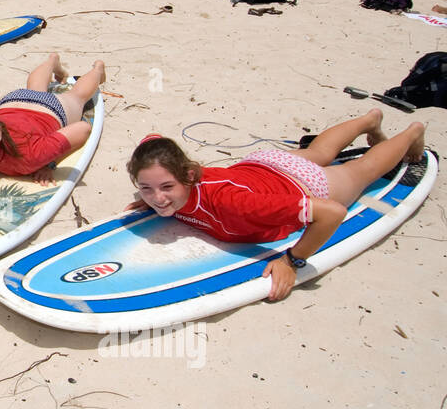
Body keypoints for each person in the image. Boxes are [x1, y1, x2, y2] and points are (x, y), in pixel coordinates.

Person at [126, 111, 426, 300]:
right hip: (258, 167)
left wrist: (291, 261)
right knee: (318, 150)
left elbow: (332, 213)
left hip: (299, 182)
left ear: (189, 176)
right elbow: (153, 141)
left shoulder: (236, 205)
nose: (158, 198)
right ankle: (368, 120)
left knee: (361, 171)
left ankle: (412, 132)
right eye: (146, 188)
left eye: (167, 187)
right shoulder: (171, 175)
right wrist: (151, 198)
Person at [0, 55, 104, 184]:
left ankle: (98, 69)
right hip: (11, 102)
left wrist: (49, 164)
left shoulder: (29, 155)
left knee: (77, 97)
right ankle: (52, 61)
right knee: (35, 88)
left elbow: (83, 128)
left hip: (48, 108)